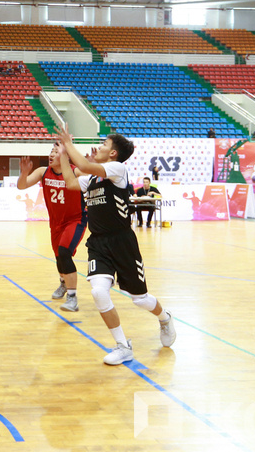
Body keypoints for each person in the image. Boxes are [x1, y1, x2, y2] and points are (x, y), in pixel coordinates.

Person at [55, 125, 176, 365]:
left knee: (139, 298)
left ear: (113, 154)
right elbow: (70, 182)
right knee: (99, 292)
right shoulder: (91, 179)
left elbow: (86, 166)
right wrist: (64, 155)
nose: (98, 147)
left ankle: (164, 318)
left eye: (103, 145)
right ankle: (123, 346)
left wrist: (69, 143)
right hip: (98, 242)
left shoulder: (118, 169)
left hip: (122, 242)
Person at [17, 143, 87, 312]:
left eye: (56, 152)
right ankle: (63, 283)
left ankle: (72, 298)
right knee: (58, 257)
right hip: (55, 222)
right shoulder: (43, 172)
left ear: (65, 156)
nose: (52, 154)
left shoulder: (74, 171)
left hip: (75, 220)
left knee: (64, 252)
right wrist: (24, 172)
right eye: (51, 152)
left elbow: (89, 177)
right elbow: (21, 186)